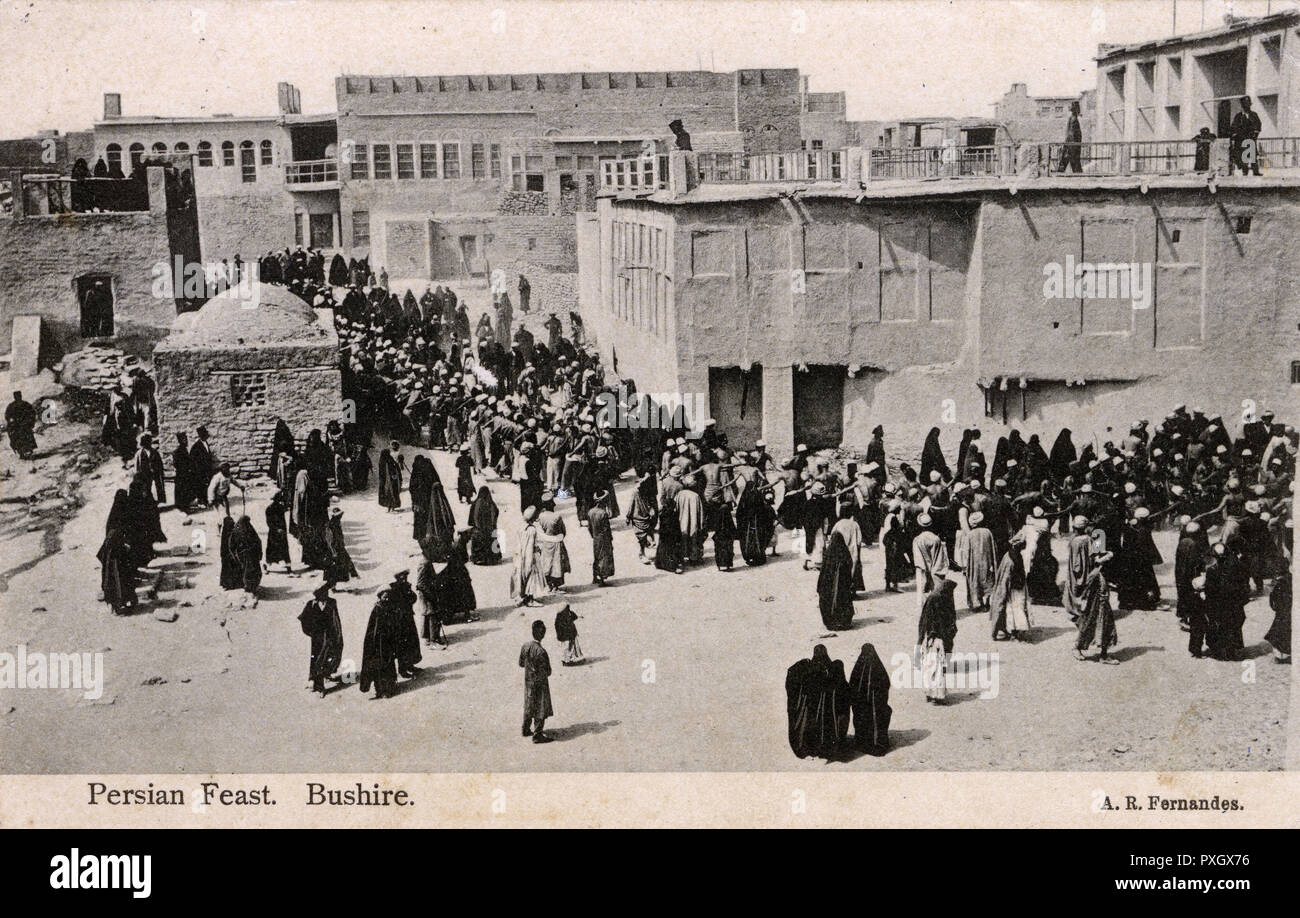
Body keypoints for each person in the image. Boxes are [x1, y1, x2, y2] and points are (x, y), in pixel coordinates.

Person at [784, 645, 850, 760]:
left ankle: (814, 744)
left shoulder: (807, 669)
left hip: (812, 711)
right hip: (828, 714)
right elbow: (843, 691)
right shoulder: (833, 669)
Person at [918, 576, 958, 703]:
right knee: (937, 668)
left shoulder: (935, 598)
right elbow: (936, 622)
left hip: (930, 639)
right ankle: (937, 696)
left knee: (930, 668)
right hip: (936, 640)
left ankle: (929, 694)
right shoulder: (937, 600)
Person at [298, 582, 343, 697]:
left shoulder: (332, 602)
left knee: (331, 656)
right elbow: (303, 618)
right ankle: (318, 686)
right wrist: (310, 632)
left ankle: (326, 674)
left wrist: (338, 634)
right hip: (317, 637)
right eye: (323, 592)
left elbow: (336, 619)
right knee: (317, 658)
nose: (326, 594)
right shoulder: (311, 604)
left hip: (330, 635)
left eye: (326, 591)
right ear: (317, 594)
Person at [848, 643, 892, 756]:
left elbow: (852, 684)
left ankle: (862, 742)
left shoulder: (858, 668)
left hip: (864, 706)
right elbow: (886, 683)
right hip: (875, 706)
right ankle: (877, 743)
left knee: (863, 717)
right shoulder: (879, 668)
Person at [359, 588, 402, 699]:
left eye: (388, 597)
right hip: (378, 643)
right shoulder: (377, 609)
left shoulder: (391, 607)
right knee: (379, 666)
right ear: (380, 597)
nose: (387, 599)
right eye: (384, 597)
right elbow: (373, 629)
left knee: (389, 663)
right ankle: (381, 690)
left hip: (388, 642)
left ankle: (390, 687)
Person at [1074, 552, 1118, 663]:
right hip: (1098, 578)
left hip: (1102, 576)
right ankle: (1082, 648)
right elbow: (1096, 559)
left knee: (1100, 616)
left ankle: (1102, 653)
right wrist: (1110, 555)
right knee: (1096, 614)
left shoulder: (1102, 539)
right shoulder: (1099, 539)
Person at [989, 533, 1032, 641]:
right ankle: (1014, 633)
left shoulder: (1014, 555)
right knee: (1015, 610)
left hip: (1017, 587)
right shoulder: (1011, 559)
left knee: (1015, 610)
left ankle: (1013, 632)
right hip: (1013, 589)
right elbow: (1005, 578)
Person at [520, 620, 555, 743]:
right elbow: (548, 671)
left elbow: (521, 663)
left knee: (529, 705)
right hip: (540, 683)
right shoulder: (541, 651)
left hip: (528, 681)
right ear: (543, 634)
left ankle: (525, 729)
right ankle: (537, 734)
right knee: (540, 708)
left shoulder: (525, 646)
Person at [960, 510, 996, 613]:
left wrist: (964, 566)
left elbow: (966, 551)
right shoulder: (988, 532)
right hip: (987, 561)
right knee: (987, 580)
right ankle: (987, 603)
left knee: (975, 582)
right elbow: (993, 548)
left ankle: (978, 603)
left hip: (974, 564)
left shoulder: (970, 535)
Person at [511, 506, 547, 608]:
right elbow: (530, 547)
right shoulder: (531, 530)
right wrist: (530, 561)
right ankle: (529, 599)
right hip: (529, 556)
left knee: (520, 576)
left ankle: (522, 596)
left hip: (519, 555)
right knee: (531, 577)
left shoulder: (520, 527)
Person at [231, 515, 263, 606]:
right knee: (251, 571)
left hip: (245, 555)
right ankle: (251, 587)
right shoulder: (250, 529)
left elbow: (231, 545)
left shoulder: (236, 530)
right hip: (250, 554)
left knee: (248, 570)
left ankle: (249, 587)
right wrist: (259, 553)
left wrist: (235, 555)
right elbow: (258, 541)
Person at [467, 486, 502, 564]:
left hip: (478, 531)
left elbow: (472, 519)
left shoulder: (476, 503)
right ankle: (492, 558)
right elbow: (495, 514)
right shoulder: (491, 503)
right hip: (490, 531)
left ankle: (478, 558)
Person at [1229, 95, 1262, 177]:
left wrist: (1256, 133)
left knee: (1253, 155)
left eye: (1248, 103)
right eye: (1244, 104)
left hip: (1251, 138)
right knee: (1243, 156)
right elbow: (1234, 127)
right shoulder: (1238, 116)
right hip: (1241, 139)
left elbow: (1258, 124)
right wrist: (1236, 135)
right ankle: (1245, 171)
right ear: (1242, 105)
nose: (1246, 106)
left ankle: (1256, 171)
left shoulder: (1254, 115)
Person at [587, 490, 615, 585]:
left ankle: (595, 577)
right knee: (604, 557)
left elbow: (589, 527)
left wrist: (593, 535)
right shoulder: (603, 513)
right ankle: (602, 580)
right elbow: (607, 529)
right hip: (604, 538)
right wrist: (610, 539)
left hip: (595, 537)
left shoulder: (590, 512)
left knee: (596, 556)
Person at [1265, 572, 1291, 664]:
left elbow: (1274, 603)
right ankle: (1282, 655)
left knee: (1279, 633)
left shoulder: (1280, 583)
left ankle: (1281, 656)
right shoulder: (1285, 581)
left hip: (1283, 612)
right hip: (1286, 612)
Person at [4, 391, 38, 460]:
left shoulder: (26, 404)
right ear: (14, 397)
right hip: (16, 426)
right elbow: (7, 416)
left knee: (27, 437)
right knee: (16, 438)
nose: (18, 397)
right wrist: (11, 421)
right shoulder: (11, 406)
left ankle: (29, 450)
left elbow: (32, 413)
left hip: (25, 425)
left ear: (21, 396)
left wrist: (30, 422)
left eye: (19, 396)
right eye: (16, 396)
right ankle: (21, 452)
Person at [264, 490, 291, 572]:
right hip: (275, 532)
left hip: (279, 531)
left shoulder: (278, 507)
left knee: (279, 549)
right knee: (276, 548)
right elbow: (269, 522)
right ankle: (269, 565)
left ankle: (286, 566)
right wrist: (277, 529)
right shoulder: (270, 509)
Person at [378, 441, 405, 511]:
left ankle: (390, 507)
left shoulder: (383, 460)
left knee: (388, 493)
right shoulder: (388, 460)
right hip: (390, 480)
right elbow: (394, 469)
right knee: (392, 492)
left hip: (387, 481)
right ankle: (391, 506)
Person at [1059, 100, 1082, 173]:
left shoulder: (1072, 118)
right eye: (1078, 109)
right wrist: (1073, 145)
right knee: (1074, 162)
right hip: (1072, 145)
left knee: (1068, 161)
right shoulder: (1073, 119)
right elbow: (1071, 133)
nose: (1079, 111)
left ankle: (1060, 172)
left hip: (1070, 144)